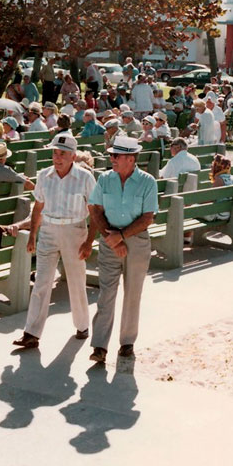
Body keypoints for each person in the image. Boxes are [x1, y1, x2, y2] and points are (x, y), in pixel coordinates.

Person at [12, 133, 98, 350]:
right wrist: (32, 234)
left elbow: (95, 211)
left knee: (77, 280)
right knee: (42, 280)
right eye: (55, 153)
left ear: (73, 156)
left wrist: (89, 241)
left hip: (74, 230)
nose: (57, 158)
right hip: (48, 231)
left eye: (62, 154)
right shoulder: (44, 176)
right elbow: (38, 207)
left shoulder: (85, 178)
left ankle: (82, 325)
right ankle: (31, 332)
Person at [87, 134, 158, 363]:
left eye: (116, 155)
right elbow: (95, 209)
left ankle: (127, 343)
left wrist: (121, 237)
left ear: (130, 158)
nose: (112, 159)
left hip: (136, 242)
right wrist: (111, 236)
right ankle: (99, 346)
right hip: (109, 238)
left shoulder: (148, 182)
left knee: (132, 293)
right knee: (106, 293)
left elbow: (148, 218)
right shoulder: (105, 179)